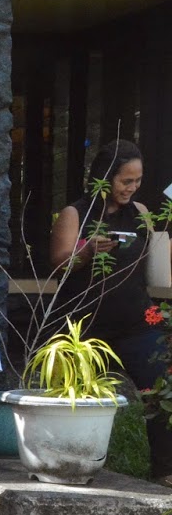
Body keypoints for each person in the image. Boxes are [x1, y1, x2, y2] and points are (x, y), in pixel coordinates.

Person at [49, 141, 164, 398]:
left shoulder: (141, 212)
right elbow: (59, 265)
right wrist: (87, 251)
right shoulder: (75, 213)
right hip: (85, 327)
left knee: (161, 396)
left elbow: (154, 258)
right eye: (126, 181)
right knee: (77, 402)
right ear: (105, 177)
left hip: (136, 323)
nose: (132, 188)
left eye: (138, 180)